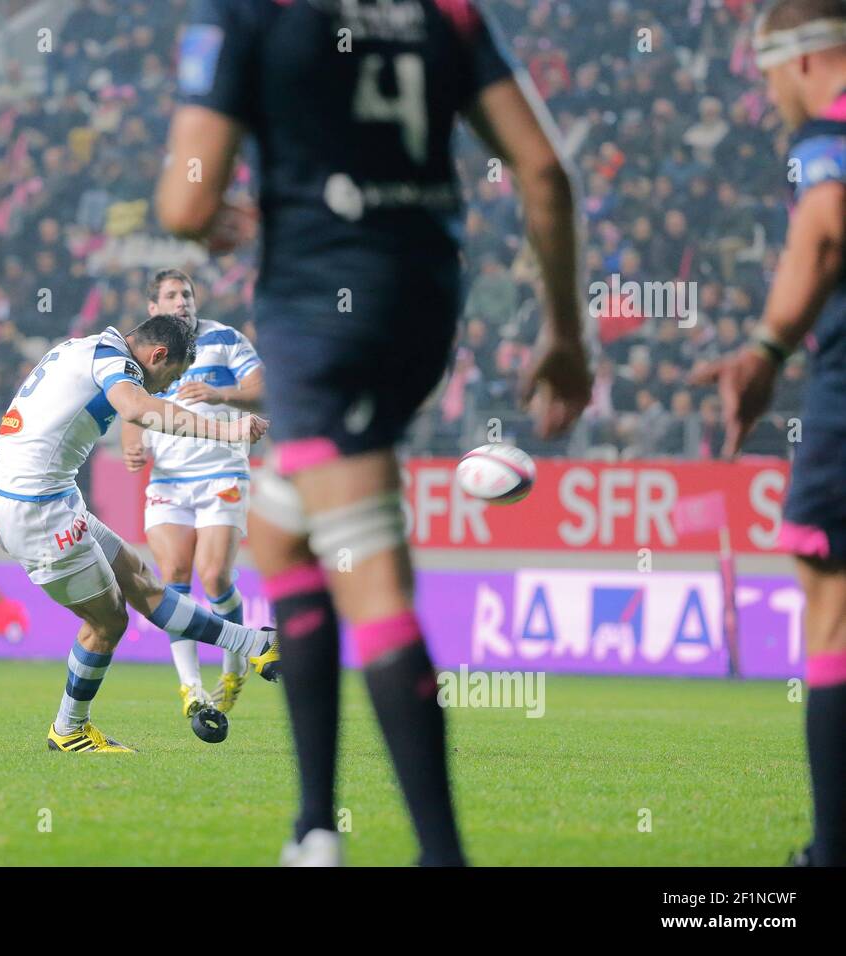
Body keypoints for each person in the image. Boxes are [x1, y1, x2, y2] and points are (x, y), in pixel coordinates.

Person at [157, 0, 590, 864]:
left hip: (323, 319)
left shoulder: (251, 15)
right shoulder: (448, 12)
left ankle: (438, 852)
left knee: (373, 581)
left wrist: (220, 218)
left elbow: (183, 201)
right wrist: (567, 334)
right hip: (424, 305)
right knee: (279, 536)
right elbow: (541, 171)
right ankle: (314, 827)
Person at [0, 315, 279, 753]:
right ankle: (68, 728)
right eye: (170, 377)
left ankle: (256, 644)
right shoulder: (119, 365)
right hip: (38, 512)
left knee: (138, 578)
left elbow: (23, 419)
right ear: (157, 356)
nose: (164, 387)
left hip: (39, 497)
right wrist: (227, 432)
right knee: (108, 620)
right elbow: (135, 409)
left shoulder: (75, 348)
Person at [693, 0, 846, 866]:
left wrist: (763, 350)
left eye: (766, 77)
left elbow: (824, 229)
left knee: (829, 601)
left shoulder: (829, 131)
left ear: (800, 61)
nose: (768, 97)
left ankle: (831, 854)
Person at [120, 269, 265, 726]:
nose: (182, 300)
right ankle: (190, 687)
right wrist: (131, 442)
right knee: (175, 576)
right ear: (153, 308)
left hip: (221, 468)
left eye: (187, 293)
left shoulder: (225, 339)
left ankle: (235, 663)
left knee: (214, 576)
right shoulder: (144, 349)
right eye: (171, 294)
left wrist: (219, 393)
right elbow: (129, 400)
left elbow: (264, 391)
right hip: (167, 480)